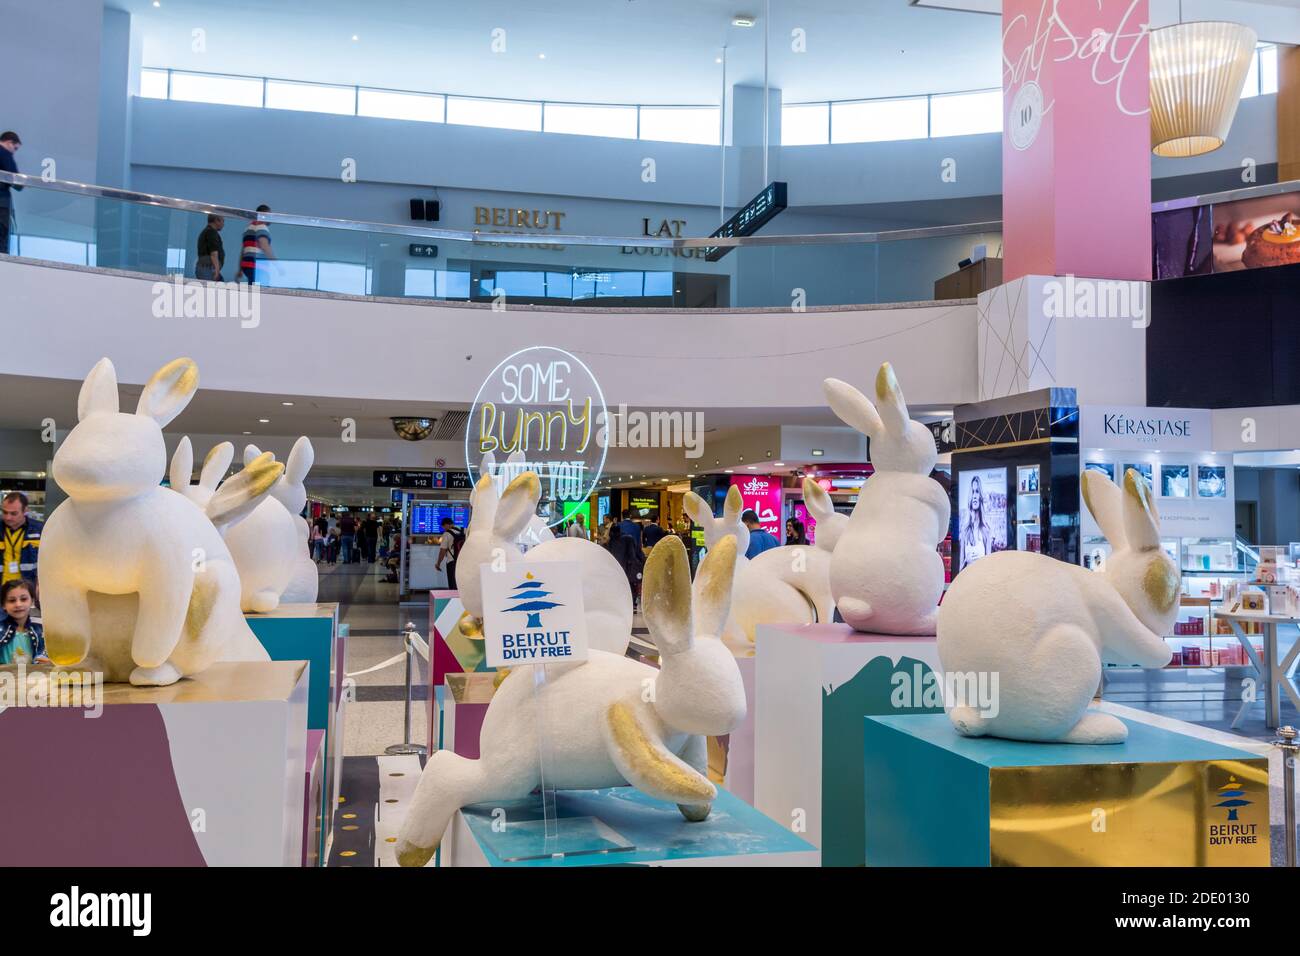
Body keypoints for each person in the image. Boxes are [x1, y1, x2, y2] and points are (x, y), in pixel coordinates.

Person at [2, 491, 42, 590]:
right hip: (2, 590)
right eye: (5, 512)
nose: (8, 517)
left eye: (13, 513)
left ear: (25, 511)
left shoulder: (39, 530)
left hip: (27, 591)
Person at [0, 579, 45, 665]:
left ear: (32, 601)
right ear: (3, 605)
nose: (18, 604)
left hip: (33, 677)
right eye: (12, 601)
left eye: (23, 599)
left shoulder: (40, 631)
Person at [604, 524, 644, 610]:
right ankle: (633, 604)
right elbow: (632, 555)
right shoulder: (628, 538)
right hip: (627, 567)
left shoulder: (610, 541)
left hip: (615, 568)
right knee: (631, 585)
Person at [960, 474, 994, 569]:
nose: (974, 496)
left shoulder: (986, 530)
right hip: (967, 580)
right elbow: (959, 570)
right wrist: (967, 560)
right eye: (973, 492)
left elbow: (989, 566)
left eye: (977, 492)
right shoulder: (965, 530)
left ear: (980, 496)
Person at [239, 204, 275, 284]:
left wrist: (240, 269)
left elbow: (243, 250)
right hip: (257, 266)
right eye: (269, 215)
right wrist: (278, 266)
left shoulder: (248, 228)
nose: (271, 218)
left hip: (247, 266)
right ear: (263, 215)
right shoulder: (261, 226)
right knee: (261, 292)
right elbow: (264, 246)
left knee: (253, 290)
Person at [0, 132, 22, 255]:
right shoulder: (4, 153)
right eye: (15, 148)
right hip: (1, 203)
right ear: (9, 142)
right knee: (2, 237)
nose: (14, 151)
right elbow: (16, 179)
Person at [436, 517, 464, 589]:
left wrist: (438, 563)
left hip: (452, 562)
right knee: (461, 583)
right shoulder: (463, 530)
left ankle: (453, 599)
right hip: (463, 562)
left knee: (452, 584)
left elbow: (442, 551)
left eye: (444, 527)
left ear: (446, 525)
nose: (444, 529)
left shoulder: (447, 534)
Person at [195, 214, 225, 280]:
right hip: (208, 268)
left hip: (207, 268)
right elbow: (214, 253)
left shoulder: (207, 231)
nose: (223, 224)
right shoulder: (211, 232)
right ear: (217, 220)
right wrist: (217, 270)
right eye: (223, 221)